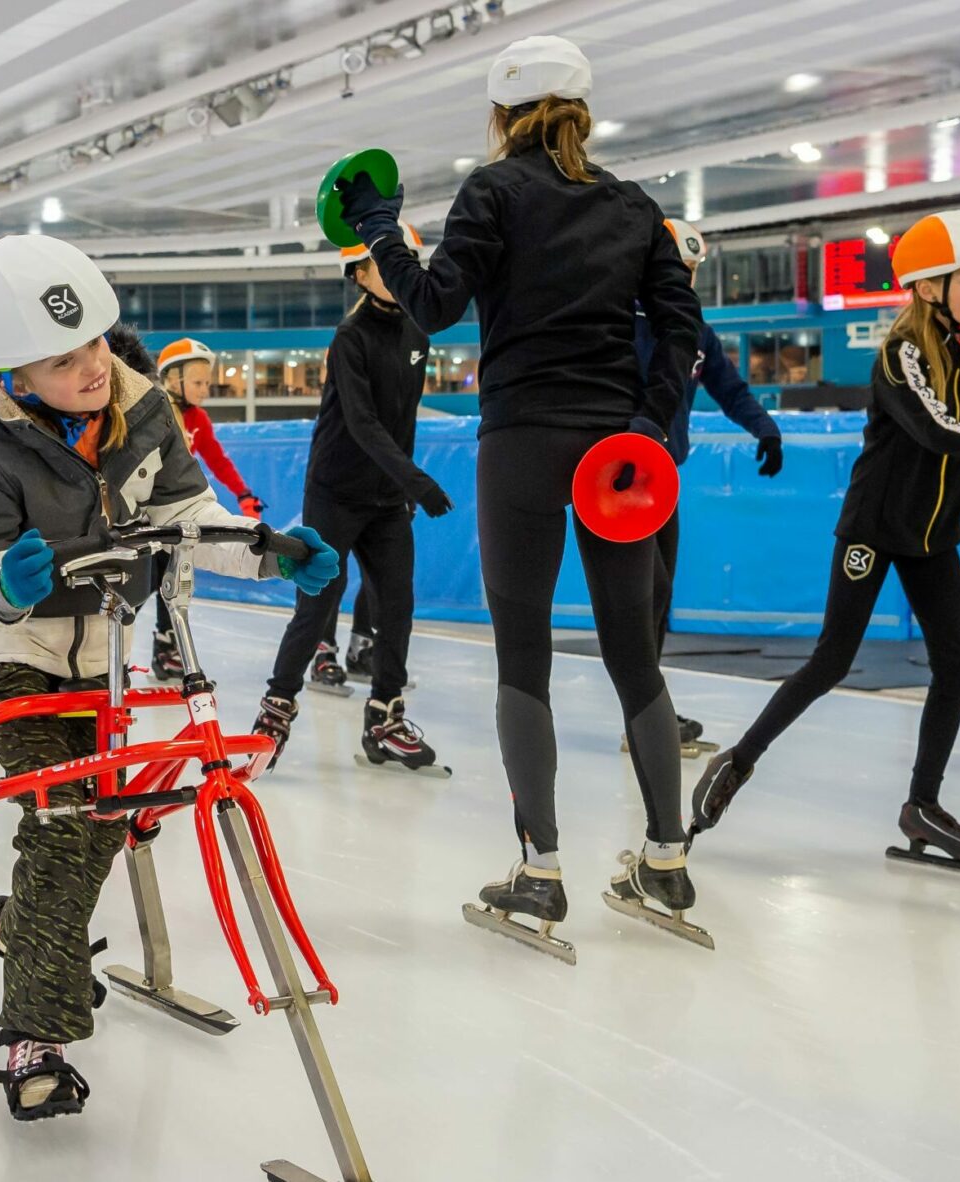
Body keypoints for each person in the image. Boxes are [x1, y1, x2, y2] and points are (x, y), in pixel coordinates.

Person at [0, 234, 335, 1121]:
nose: (93, 368)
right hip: (15, 665)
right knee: (71, 819)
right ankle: (32, 1038)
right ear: (16, 379)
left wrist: (274, 555)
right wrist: (6, 589)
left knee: (97, 822)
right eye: (64, 361)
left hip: (105, 658)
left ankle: (20, 925)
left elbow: (194, 519)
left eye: (99, 344)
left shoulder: (148, 416)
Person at [335, 35, 706, 945]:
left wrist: (381, 221)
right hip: (616, 452)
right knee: (633, 654)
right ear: (583, 111)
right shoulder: (632, 205)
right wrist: (649, 427)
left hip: (525, 446)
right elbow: (683, 330)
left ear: (503, 117)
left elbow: (431, 304)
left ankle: (540, 873)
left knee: (524, 659)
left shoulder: (494, 191)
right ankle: (666, 863)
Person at [687, 211, 960, 880]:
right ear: (926, 289)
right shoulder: (901, 355)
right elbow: (942, 433)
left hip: (933, 536)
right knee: (831, 660)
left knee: (955, 665)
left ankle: (922, 804)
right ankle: (736, 761)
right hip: (876, 529)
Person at [251, 223, 450, 772]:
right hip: (336, 494)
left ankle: (384, 716)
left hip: (388, 500)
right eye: (383, 265)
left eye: (403, 261)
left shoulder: (417, 331)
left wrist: (403, 492)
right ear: (360, 275)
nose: (395, 272)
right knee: (317, 604)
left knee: (399, 606)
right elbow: (362, 424)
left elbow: (402, 418)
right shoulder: (351, 336)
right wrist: (418, 480)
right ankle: (276, 710)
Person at [638, 219, 784, 753]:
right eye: (679, 269)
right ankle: (645, 716)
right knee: (644, 594)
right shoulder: (620, 321)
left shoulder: (695, 329)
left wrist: (764, 426)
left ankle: (646, 711)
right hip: (620, 477)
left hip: (663, 479)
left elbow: (728, 385)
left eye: (694, 271)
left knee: (659, 598)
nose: (687, 280)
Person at [147, 336, 265, 681]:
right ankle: (117, 652)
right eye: (198, 382)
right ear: (172, 379)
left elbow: (217, 458)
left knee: (172, 579)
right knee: (143, 584)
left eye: (207, 382)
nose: (205, 389)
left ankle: (165, 647)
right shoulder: (154, 412)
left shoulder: (197, 417)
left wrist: (244, 493)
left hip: (175, 512)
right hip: (146, 514)